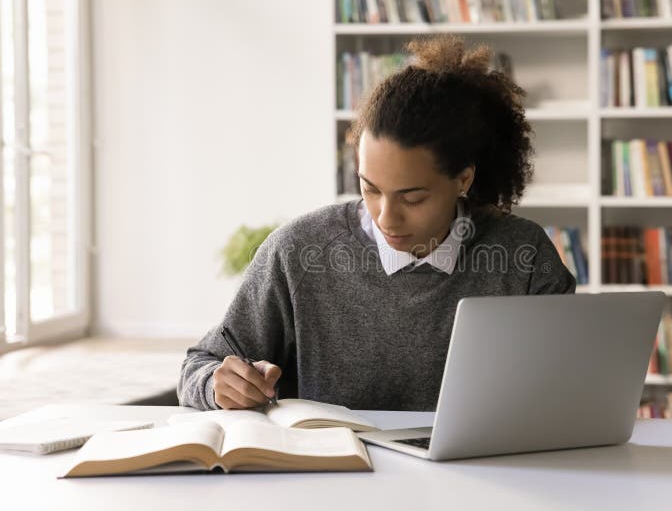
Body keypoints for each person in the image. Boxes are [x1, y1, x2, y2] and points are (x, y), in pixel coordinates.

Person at [177, 34, 576, 412]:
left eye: (412, 197)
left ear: (463, 180)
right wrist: (218, 385)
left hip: (484, 478)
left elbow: (571, 388)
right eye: (370, 189)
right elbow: (199, 367)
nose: (386, 216)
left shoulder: (523, 256)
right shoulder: (298, 251)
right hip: (335, 479)